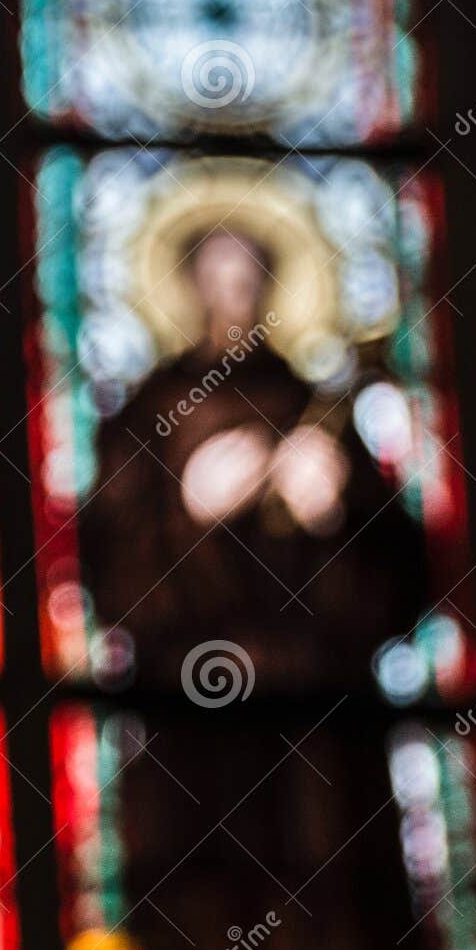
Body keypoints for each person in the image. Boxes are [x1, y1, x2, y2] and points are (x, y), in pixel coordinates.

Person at [85, 228, 427, 692]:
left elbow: (404, 584)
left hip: (318, 707)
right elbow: (106, 574)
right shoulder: (149, 416)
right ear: (193, 284)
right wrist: (190, 514)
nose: (235, 290)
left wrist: (335, 517)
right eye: (220, 273)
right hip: (187, 706)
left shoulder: (319, 412)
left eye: (250, 274)